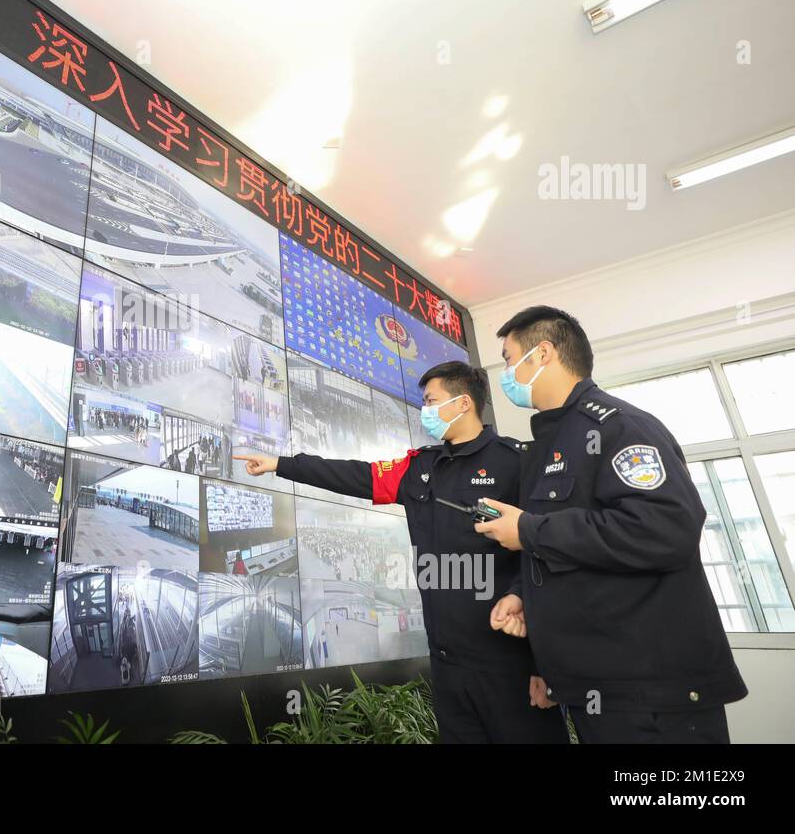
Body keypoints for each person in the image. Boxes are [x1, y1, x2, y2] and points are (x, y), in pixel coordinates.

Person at [236, 360, 566, 744]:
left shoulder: (516, 463)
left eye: (431, 400)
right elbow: (356, 476)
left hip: (510, 662)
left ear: (462, 403)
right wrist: (281, 464)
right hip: (447, 664)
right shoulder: (421, 468)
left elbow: (545, 556)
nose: (425, 410)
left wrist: (546, 666)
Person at [476, 306, 747, 743]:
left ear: (542, 353)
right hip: (594, 689)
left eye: (508, 359)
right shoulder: (546, 447)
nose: (504, 373)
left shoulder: (619, 426)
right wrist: (523, 598)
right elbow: (570, 553)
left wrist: (528, 531)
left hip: (651, 696)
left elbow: (665, 528)